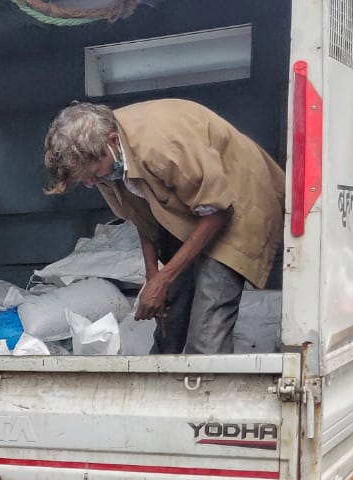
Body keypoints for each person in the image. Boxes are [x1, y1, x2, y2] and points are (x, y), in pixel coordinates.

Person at [42, 99, 285, 355]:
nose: (91, 183)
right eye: (84, 179)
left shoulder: (161, 148)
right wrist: (153, 277)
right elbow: (142, 216)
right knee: (171, 310)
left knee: (208, 323)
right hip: (191, 206)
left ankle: (204, 376)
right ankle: (161, 375)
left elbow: (217, 211)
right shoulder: (106, 161)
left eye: (93, 175)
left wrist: (163, 279)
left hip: (235, 202)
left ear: (112, 141)